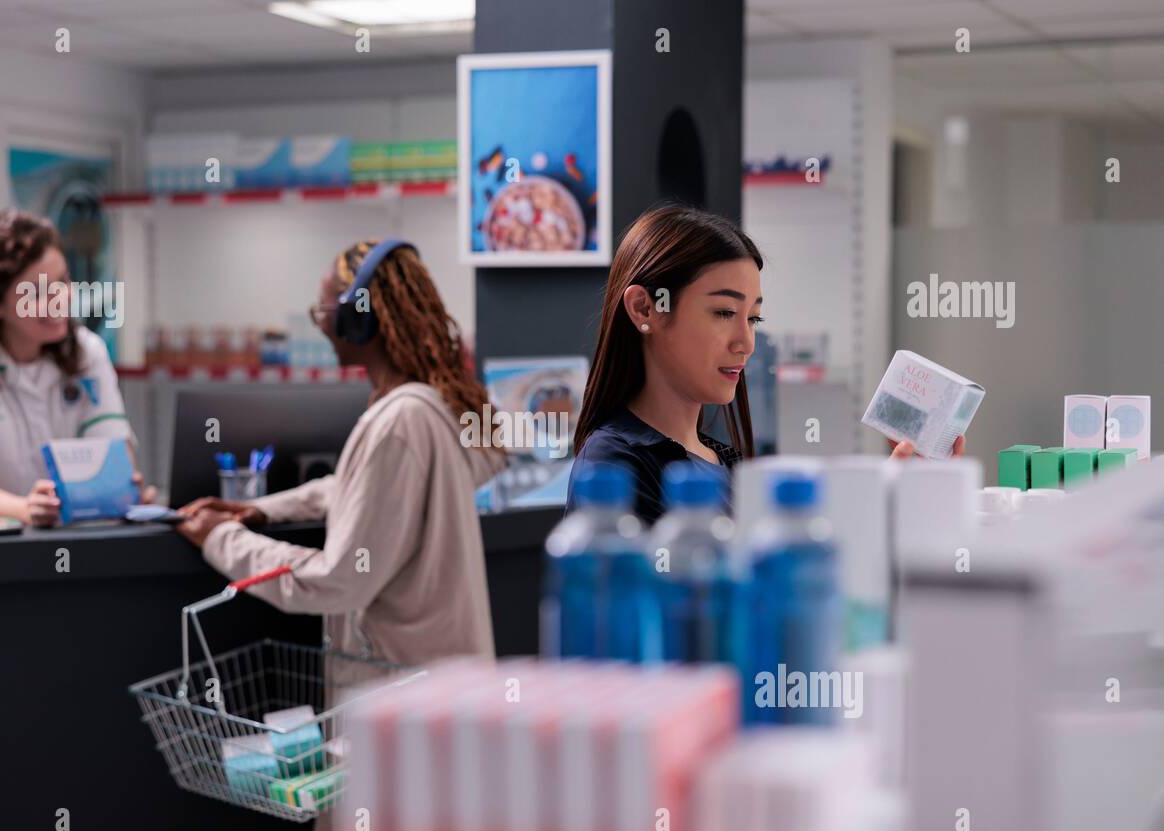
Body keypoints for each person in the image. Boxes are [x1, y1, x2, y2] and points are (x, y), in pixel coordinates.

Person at [176, 238, 505, 673]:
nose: (321, 325)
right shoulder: (435, 406)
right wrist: (262, 510)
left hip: (400, 706)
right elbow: (367, 491)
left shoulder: (399, 421)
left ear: (358, 317)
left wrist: (222, 540)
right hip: (438, 693)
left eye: (325, 310)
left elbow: (336, 581)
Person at [567, 204, 962, 524]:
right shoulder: (613, 467)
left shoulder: (725, 463)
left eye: (753, 318)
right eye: (723, 312)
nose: (746, 343)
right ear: (645, 309)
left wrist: (897, 493)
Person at [0, 209, 153, 526]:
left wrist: (122, 490)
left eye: (62, 281)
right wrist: (25, 509)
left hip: (70, 541)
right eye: (40, 293)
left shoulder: (87, 352)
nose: (60, 299)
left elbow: (114, 450)